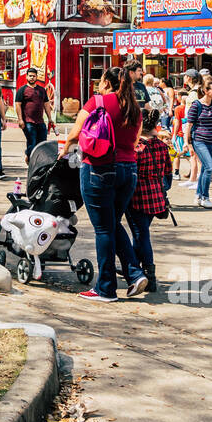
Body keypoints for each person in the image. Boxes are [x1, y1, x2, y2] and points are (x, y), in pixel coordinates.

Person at [61, 66, 148, 302]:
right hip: (129, 170)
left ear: (107, 83)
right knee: (111, 223)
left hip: (99, 168)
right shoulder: (135, 108)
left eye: (100, 81)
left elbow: (76, 132)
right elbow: (136, 138)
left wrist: (65, 149)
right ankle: (134, 273)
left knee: (103, 229)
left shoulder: (98, 101)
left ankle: (106, 288)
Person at [126, 107, 169, 294]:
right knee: (140, 234)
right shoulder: (161, 145)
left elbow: (130, 172)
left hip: (138, 195)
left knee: (141, 235)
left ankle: (149, 276)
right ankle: (136, 272)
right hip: (156, 195)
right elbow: (167, 172)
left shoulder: (137, 147)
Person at [186, 79, 212, 209]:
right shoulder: (197, 105)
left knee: (204, 169)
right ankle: (205, 197)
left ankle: (198, 195)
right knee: (209, 167)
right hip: (199, 141)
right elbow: (189, 125)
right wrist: (187, 142)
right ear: (206, 91)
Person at [13, 68, 54, 161]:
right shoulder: (22, 90)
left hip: (40, 122)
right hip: (28, 122)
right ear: (27, 76)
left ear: (36, 77)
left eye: (34, 76)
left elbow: (46, 104)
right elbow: (18, 105)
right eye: (30, 76)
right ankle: (31, 160)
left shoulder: (41, 90)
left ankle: (38, 161)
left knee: (42, 143)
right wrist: (20, 119)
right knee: (32, 141)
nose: (32, 78)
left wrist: (50, 118)